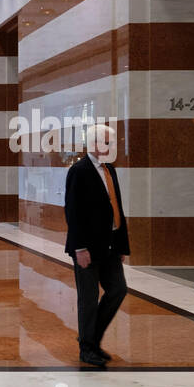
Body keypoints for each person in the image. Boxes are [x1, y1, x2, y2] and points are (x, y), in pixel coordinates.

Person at [63, 123, 129, 368]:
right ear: (94, 144)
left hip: (110, 245)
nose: (113, 146)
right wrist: (79, 248)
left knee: (118, 289)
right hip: (87, 248)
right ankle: (87, 348)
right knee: (88, 299)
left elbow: (117, 208)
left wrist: (122, 245)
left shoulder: (110, 170)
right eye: (108, 142)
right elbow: (72, 211)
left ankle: (91, 338)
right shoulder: (79, 171)